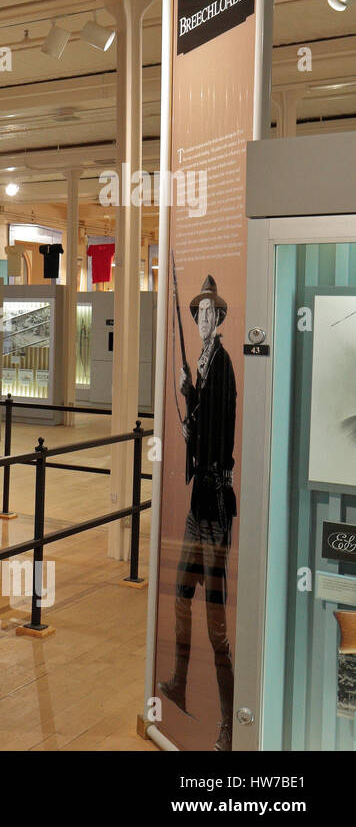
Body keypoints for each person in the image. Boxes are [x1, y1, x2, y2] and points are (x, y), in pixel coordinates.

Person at [158, 274, 237, 751]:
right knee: (181, 596)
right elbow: (204, 416)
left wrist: (195, 415)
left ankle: (228, 724)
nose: (204, 318)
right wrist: (190, 395)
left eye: (210, 312)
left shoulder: (221, 363)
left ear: (219, 317)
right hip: (196, 505)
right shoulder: (206, 361)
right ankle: (180, 682)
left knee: (216, 623)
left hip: (214, 507)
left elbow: (220, 430)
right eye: (200, 313)